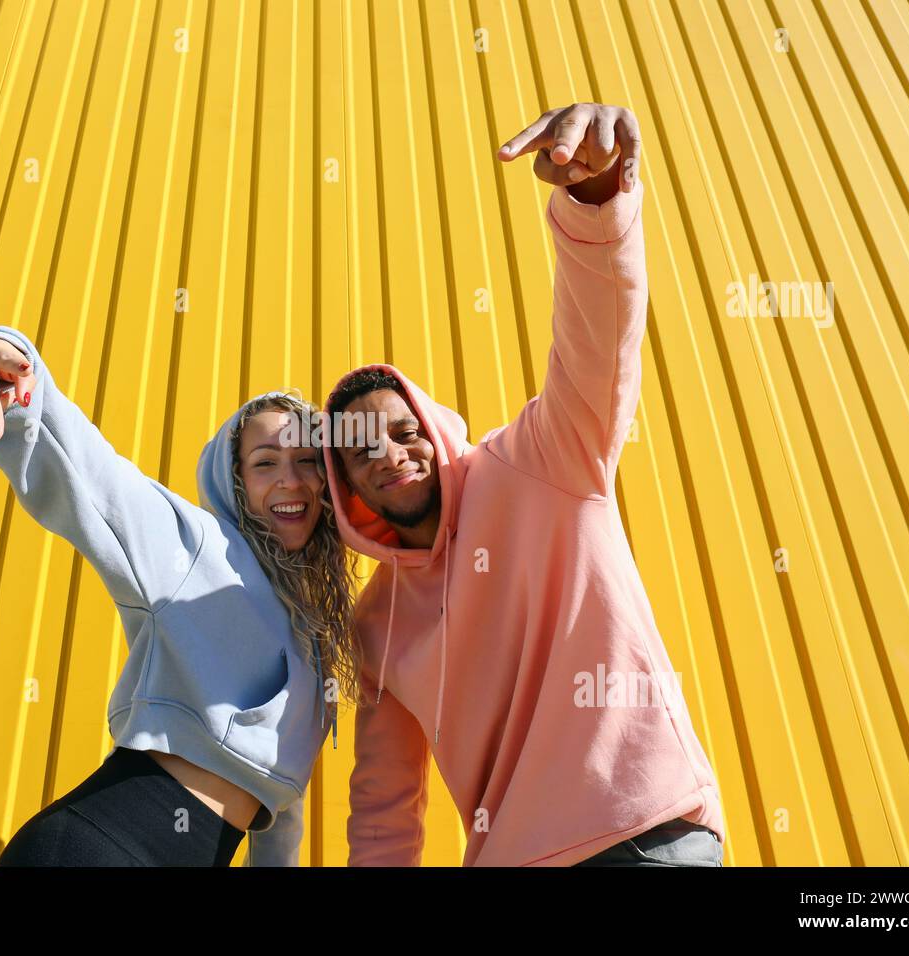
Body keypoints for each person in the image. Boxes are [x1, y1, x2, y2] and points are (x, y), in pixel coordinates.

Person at [324, 103, 725, 866]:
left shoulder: (543, 460)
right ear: (347, 488)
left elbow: (597, 334)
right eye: (361, 450)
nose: (391, 453)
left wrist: (595, 203)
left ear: (433, 429)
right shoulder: (377, 629)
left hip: (645, 837)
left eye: (404, 430)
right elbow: (383, 806)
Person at [0, 325, 360, 866]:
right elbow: (94, 479)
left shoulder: (313, 636)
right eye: (264, 462)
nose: (290, 480)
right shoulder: (200, 548)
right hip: (99, 849)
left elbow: (279, 800)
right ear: (235, 482)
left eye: (307, 461)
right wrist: (5, 369)